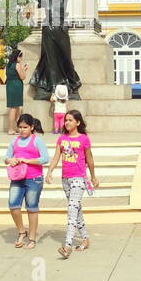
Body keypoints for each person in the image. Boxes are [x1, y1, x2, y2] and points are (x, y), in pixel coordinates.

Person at [45, 110, 98, 259]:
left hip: (79, 179)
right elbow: (56, 157)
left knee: (71, 210)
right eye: (66, 120)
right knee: (76, 209)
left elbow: (90, 159)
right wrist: (49, 172)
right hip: (65, 179)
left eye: (70, 120)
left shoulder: (84, 139)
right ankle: (85, 239)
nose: (67, 122)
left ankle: (67, 246)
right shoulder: (61, 139)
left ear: (78, 123)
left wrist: (93, 177)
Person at [4, 113, 49, 251]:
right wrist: (10, 160)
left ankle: (32, 238)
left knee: (32, 208)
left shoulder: (37, 141)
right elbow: (6, 157)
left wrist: (28, 161)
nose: (22, 130)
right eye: (20, 127)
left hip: (34, 179)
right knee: (13, 205)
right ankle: (22, 231)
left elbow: (45, 158)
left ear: (32, 127)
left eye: (25, 127)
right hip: (17, 179)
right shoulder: (14, 141)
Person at [4, 48, 28, 135]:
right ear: (18, 57)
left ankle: (18, 128)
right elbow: (22, 77)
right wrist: (24, 70)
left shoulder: (9, 65)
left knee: (16, 107)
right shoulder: (17, 65)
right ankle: (11, 129)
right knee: (14, 108)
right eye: (20, 57)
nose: (21, 59)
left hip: (10, 85)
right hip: (16, 86)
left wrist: (23, 70)